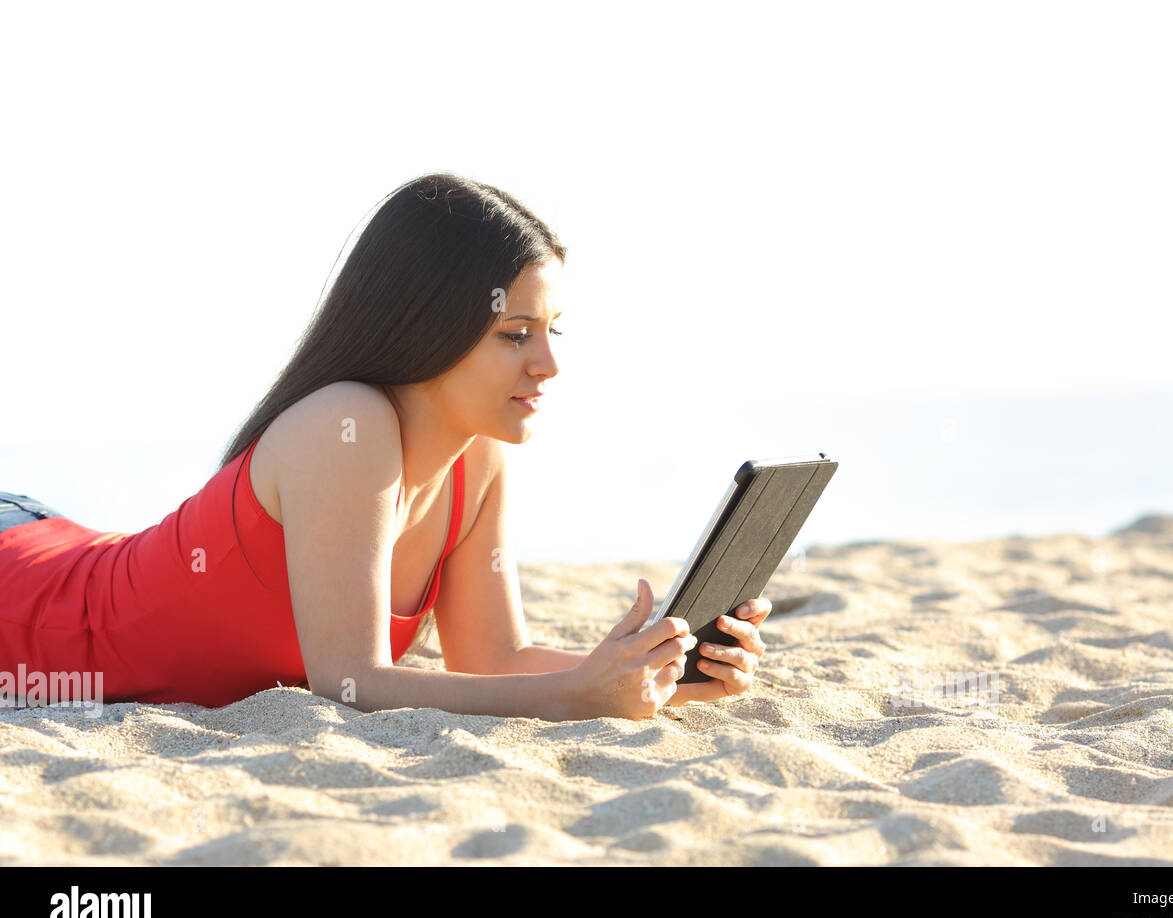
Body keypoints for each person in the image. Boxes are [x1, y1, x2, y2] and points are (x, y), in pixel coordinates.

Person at [0, 172, 771, 720]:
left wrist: (648, 674)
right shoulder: (348, 423)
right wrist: (576, 694)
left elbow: (495, 663)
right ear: (427, 324)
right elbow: (354, 683)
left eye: (553, 331)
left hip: (52, 540)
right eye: (515, 334)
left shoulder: (479, 457)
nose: (549, 364)